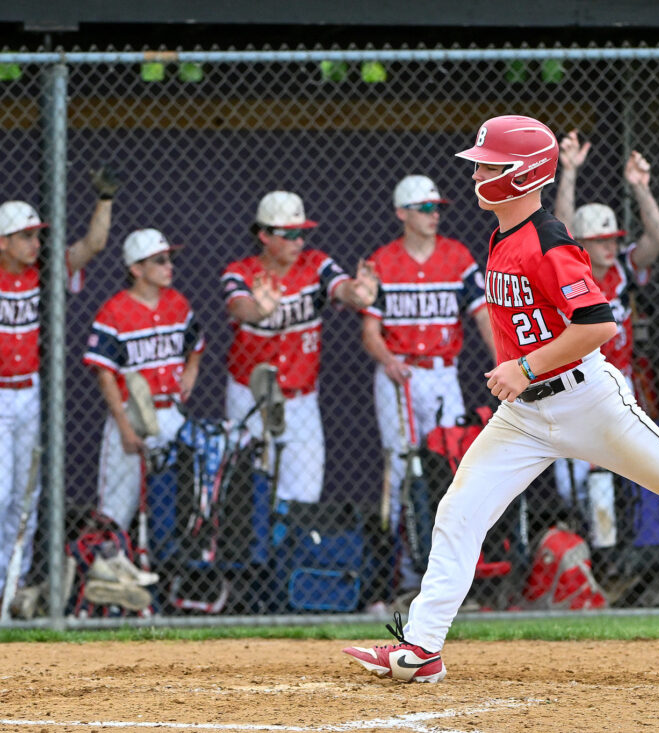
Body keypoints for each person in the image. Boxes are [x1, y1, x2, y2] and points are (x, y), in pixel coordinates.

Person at [343, 114, 659, 683]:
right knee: (459, 511)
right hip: (526, 413)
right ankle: (422, 647)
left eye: (489, 167)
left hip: (584, 399)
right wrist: (524, 373)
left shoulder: (550, 241)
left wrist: (525, 366)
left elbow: (598, 325)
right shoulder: (501, 235)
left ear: (523, 174)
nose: (477, 175)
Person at [361, 174, 494, 591]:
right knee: (402, 467)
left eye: (437, 208)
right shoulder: (382, 261)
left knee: (450, 465)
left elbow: (483, 317)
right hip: (398, 374)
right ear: (402, 214)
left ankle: (450, 574)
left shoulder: (457, 257)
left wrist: (506, 364)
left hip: (442, 372)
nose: (434, 215)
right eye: (424, 209)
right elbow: (370, 332)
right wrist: (388, 360)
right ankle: (403, 574)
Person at [0, 167, 119, 606]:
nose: (36, 243)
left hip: (28, 391)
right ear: (3, 242)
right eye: (26, 236)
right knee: (0, 492)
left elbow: (93, 245)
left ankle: (10, 588)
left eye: (37, 235)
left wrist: (104, 201)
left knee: (24, 497)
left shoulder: (45, 272)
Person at [221, 191, 377, 504]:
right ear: (264, 235)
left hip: (300, 398)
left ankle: (290, 538)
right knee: (247, 492)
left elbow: (341, 287)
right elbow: (239, 307)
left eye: (302, 233)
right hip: (249, 395)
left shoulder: (316, 264)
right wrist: (259, 311)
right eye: (290, 235)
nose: (299, 242)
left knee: (305, 494)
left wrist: (357, 294)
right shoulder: (240, 271)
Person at [550, 133, 659, 543]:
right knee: (574, 478)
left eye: (612, 238)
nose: (608, 245)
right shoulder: (571, 271)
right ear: (581, 244)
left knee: (627, 464)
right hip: (576, 380)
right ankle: (590, 542)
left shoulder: (622, 268)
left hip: (620, 379)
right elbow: (561, 228)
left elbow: (656, 237)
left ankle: (625, 542)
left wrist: (641, 188)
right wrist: (569, 173)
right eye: (599, 240)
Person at [84, 229, 204, 535]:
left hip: (172, 412)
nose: (169, 267)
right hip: (132, 412)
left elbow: (196, 343)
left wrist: (191, 370)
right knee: (117, 506)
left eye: (170, 259)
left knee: (176, 500)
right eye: (160, 261)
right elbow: (105, 374)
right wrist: (124, 427)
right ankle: (109, 560)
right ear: (136, 269)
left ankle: (166, 562)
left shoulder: (178, 303)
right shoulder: (114, 311)